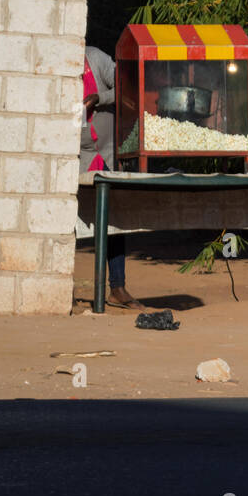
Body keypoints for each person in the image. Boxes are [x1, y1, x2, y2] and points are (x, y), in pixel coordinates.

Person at [81, 45, 145, 309]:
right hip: (71, 158)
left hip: (106, 154)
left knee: (113, 221)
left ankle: (117, 288)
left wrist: (99, 98)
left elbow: (127, 87)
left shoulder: (95, 57)